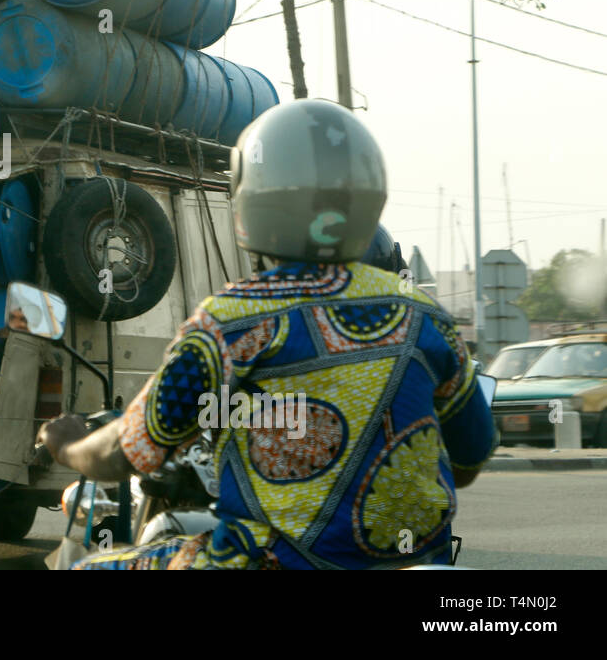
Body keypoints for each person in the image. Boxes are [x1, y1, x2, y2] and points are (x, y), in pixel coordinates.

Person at [37, 100, 497, 570]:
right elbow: (470, 458)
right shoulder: (426, 317)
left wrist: (67, 444)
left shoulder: (231, 323)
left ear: (254, 199)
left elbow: (125, 454)